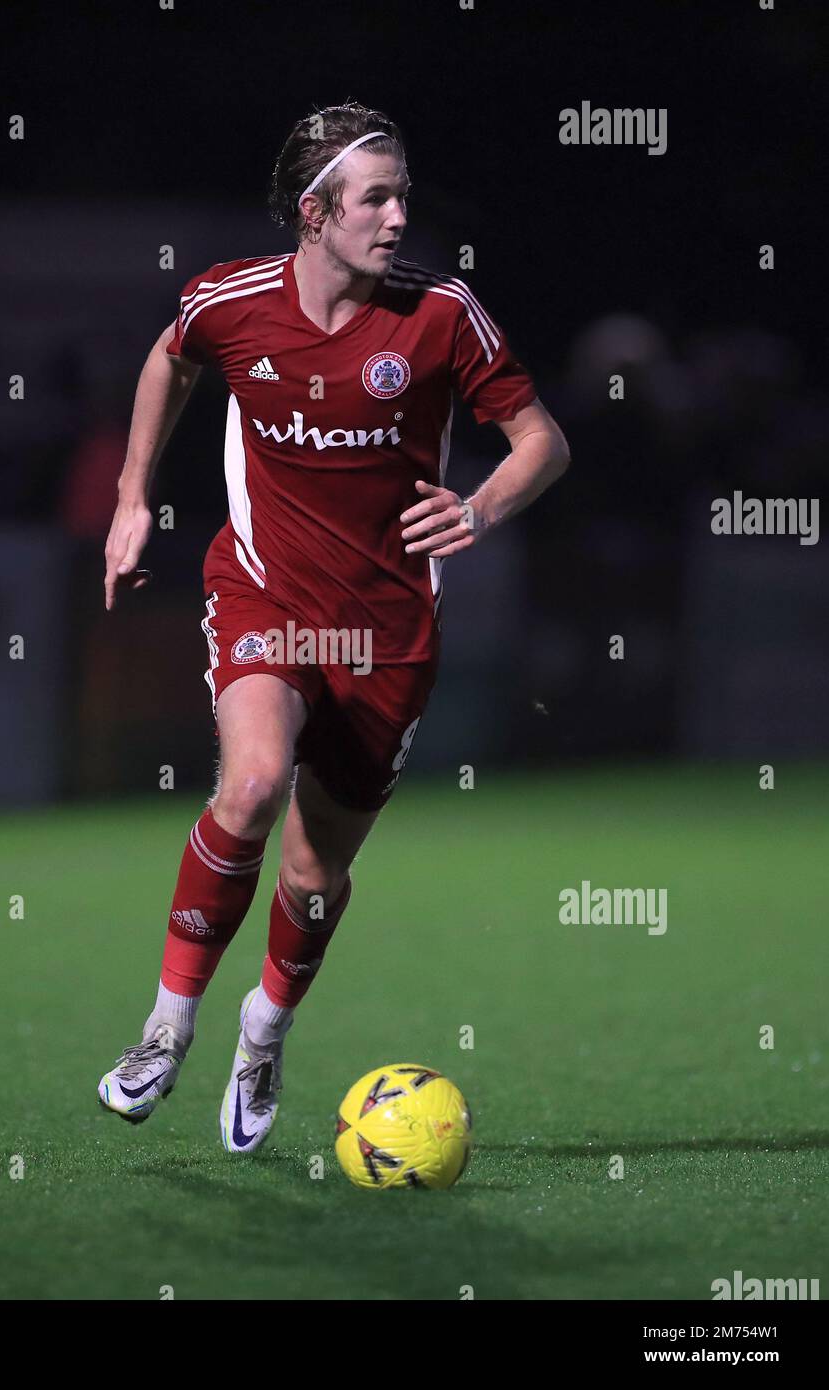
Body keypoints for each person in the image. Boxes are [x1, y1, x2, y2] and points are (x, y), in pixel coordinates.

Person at [98, 102, 569, 1151]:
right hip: (265, 594)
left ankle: (262, 1034)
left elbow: (540, 438)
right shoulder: (230, 300)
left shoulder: (441, 313)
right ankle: (165, 1027)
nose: (398, 216)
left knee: (313, 870)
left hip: (387, 632)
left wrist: (479, 505)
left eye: (403, 195)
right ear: (314, 213)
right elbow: (169, 358)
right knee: (253, 783)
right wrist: (133, 493)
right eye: (376, 198)